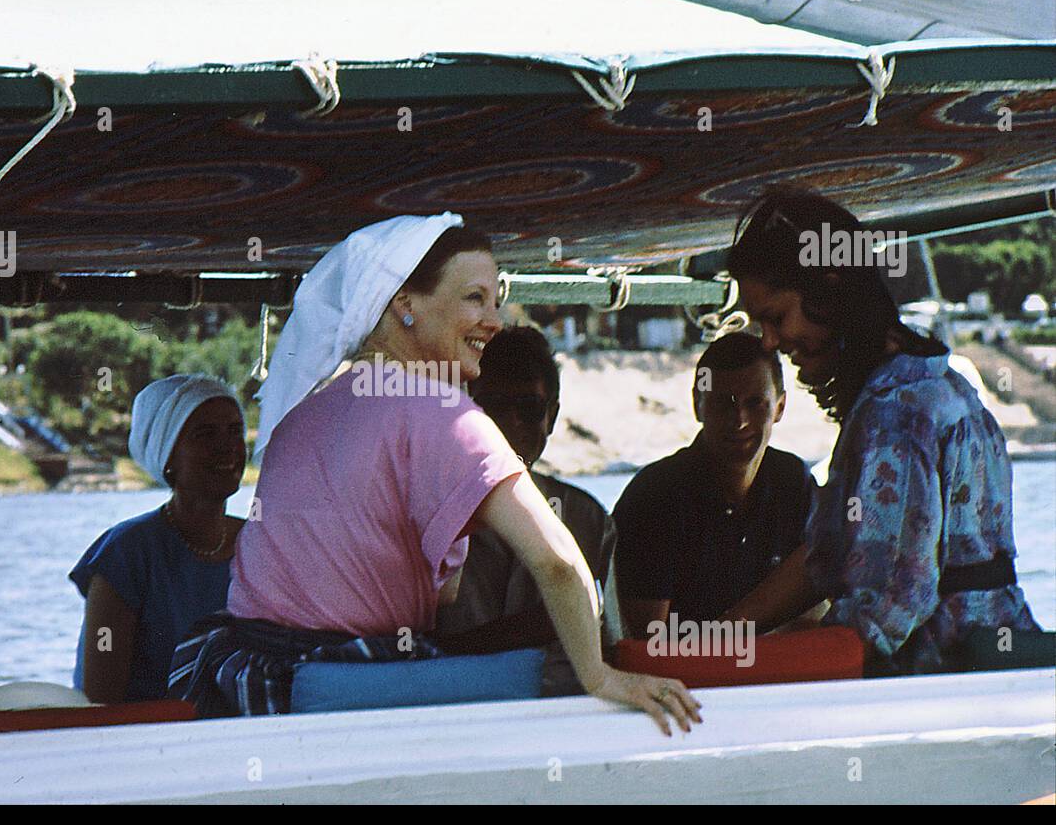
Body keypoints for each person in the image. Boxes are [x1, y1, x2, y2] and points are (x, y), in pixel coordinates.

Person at [168, 214, 701, 734]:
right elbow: (558, 561)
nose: (494, 319)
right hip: (341, 685)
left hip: (243, 679)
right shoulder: (443, 413)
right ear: (405, 305)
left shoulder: (302, 413)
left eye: (495, 299)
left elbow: (428, 590)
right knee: (566, 672)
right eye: (474, 298)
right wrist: (601, 676)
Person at [718, 186, 1039, 674]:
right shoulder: (942, 382)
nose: (768, 341)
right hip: (1003, 660)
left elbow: (886, 608)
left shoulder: (894, 415)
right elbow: (825, 557)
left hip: (944, 679)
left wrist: (718, 662)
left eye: (776, 317)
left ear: (829, 288)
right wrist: (723, 633)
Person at [431, 325, 616, 696]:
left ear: (552, 414)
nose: (511, 423)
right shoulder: (431, 515)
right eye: (494, 407)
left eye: (529, 408)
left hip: (560, 709)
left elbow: (612, 644)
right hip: (449, 707)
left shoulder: (587, 519)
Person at [613, 332, 813, 634]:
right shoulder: (655, 496)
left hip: (775, 674)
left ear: (780, 407)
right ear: (698, 405)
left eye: (755, 403)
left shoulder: (793, 482)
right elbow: (648, 643)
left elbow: (815, 609)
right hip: (682, 678)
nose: (740, 420)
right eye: (723, 404)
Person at [71, 374, 245, 703]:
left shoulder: (261, 543)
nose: (227, 446)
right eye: (205, 434)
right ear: (168, 458)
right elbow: (100, 700)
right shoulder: (125, 554)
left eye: (234, 431)